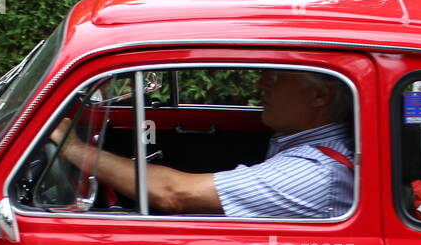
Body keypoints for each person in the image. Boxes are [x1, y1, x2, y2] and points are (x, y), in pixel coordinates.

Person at [50, 70, 353, 219]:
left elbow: (174, 194)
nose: (262, 83)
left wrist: (73, 149)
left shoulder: (315, 172)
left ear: (319, 97)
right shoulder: (305, 140)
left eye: (277, 76)